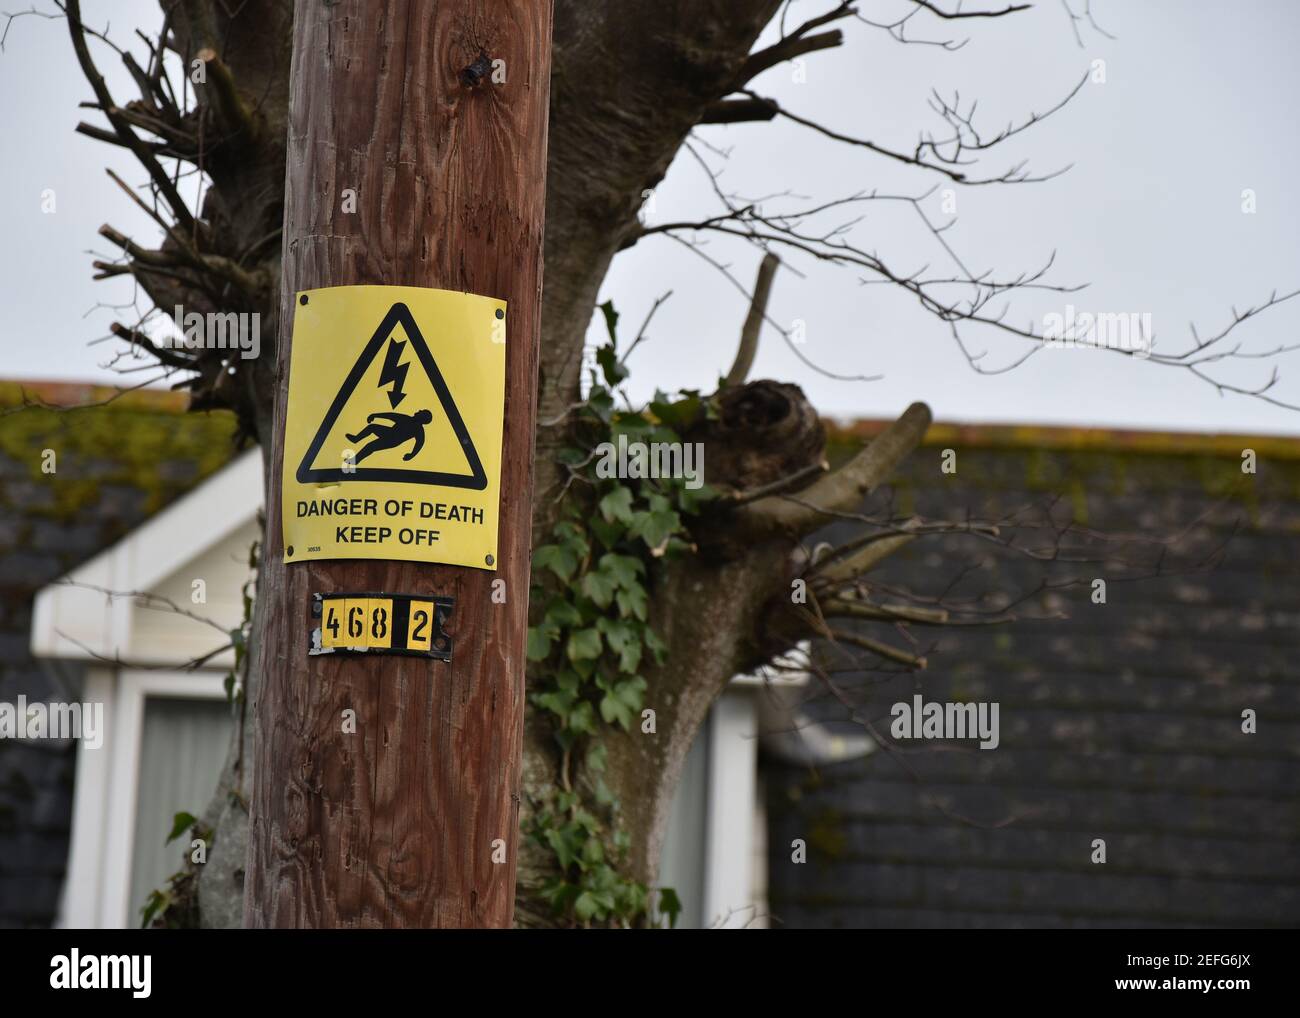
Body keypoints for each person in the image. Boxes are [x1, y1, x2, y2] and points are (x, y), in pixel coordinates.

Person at [345, 408, 432, 463]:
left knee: (370, 446)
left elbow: (420, 443)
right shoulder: (407, 418)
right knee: (372, 427)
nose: (419, 411)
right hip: (389, 432)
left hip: (393, 440)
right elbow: (391, 415)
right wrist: (375, 415)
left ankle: (355, 461)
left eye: (422, 412)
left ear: (423, 418)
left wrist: (412, 455)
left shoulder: (418, 430)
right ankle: (356, 439)